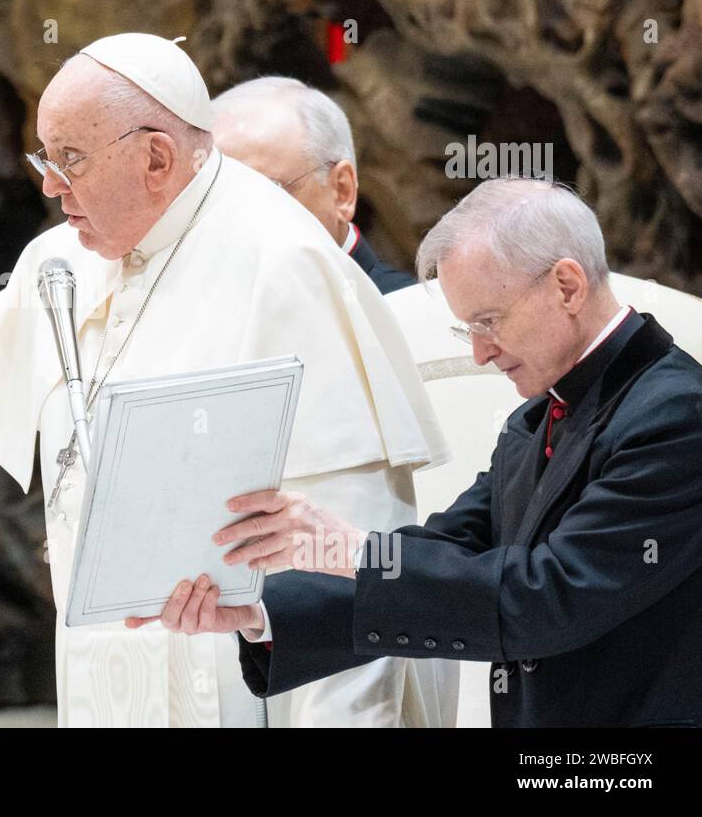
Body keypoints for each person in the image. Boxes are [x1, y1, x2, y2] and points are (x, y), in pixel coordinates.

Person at [0, 32, 447, 727]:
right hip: (101, 672)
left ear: (156, 157)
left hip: (237, 680)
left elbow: (343, 546)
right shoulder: (62, 260)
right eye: (45, 156)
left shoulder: (284, 264)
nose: (47, 183)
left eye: (69, 159)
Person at [139, 177, 702, 727]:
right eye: (469, 329)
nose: (480, 353)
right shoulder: (535, 417)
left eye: (488, 322)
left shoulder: (676, 415)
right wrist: (261, 611)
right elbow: (448, 548)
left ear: (567, 285)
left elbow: (551, 596)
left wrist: (352, 549)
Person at [212, 77, 415, 293]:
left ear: (342, 191)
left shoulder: (407, 313)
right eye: (219, 199)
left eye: (270, 193)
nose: (241, 223)